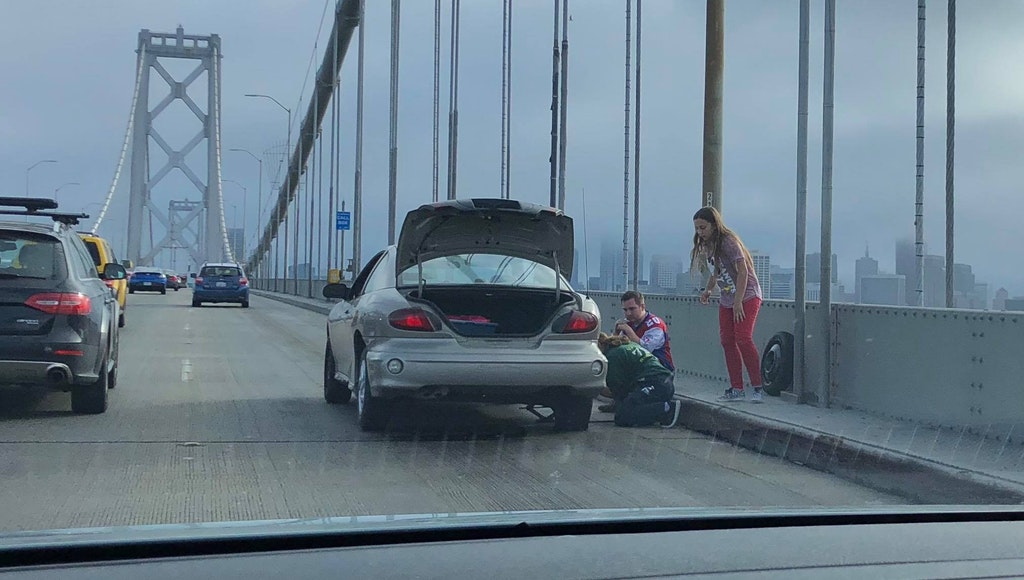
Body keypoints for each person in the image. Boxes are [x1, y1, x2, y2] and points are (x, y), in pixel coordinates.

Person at [691, 206, 765, 403]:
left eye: (703, 227)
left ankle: (758, 386)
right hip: (726, 297)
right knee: (727, 340)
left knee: (743, 338)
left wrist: (739, 301)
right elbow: (717, 271)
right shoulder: (708, 246)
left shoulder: (728, 242)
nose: (700, 232)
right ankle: (737, 388)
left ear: (714, 226)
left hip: (747, 295)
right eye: (697, 228)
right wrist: (708, 289)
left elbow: (743, 272)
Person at [598, 333, 681, 428]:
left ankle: (667, 408)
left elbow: (619, 390)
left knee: (622, 417)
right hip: (662, 381)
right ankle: (654, 413)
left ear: (600, 345)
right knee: (629, 407)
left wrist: (598, 390)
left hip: (654, 382)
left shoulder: (612, 356)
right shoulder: (626, 345)